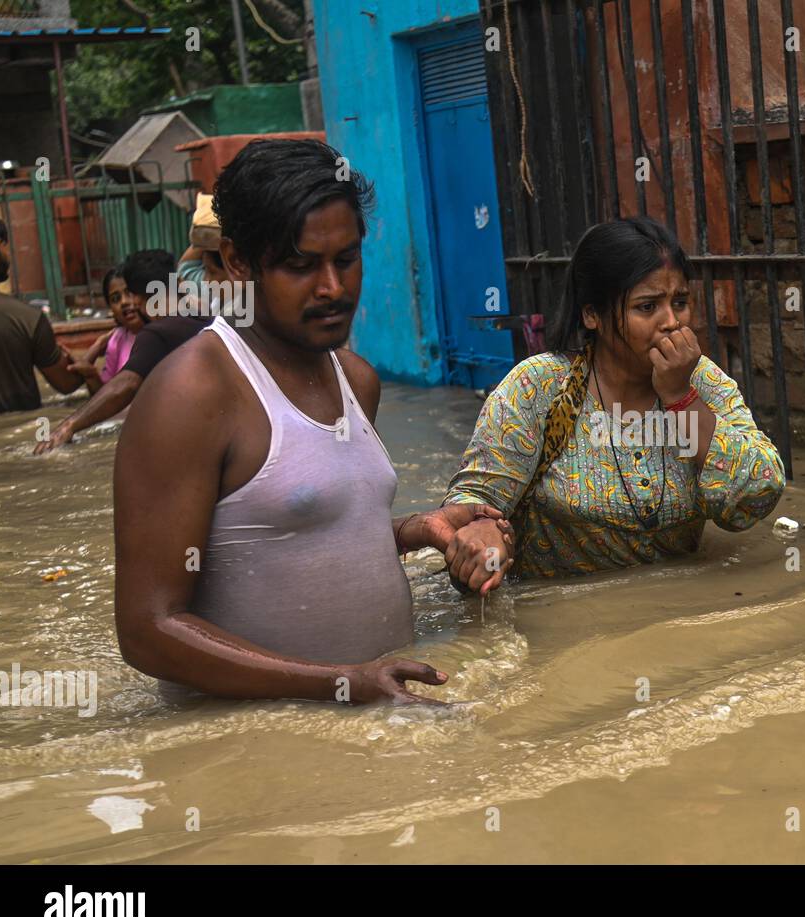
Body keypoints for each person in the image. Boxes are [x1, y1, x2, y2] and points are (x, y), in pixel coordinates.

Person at [113, 138, 505, 704]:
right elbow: (148, 630)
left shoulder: (355, 379)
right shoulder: (190, 393)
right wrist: (340, 683)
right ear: (238, 261)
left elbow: (294, 542)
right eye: (301, 266)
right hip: (254, 751)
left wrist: (415, 530)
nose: (333, 287)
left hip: (370, 728)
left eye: (346, 259)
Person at [441, 216, 784, 589]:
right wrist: (484, 533)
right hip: (560, 619)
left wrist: (681, 398)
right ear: (592, 315)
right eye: (647, 306)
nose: (671, 321)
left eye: (681, 302)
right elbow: (473, 504)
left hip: (681, 613)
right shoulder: (539, 387)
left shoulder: (701, 381)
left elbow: (758, 495)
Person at [33, 247, 201, 453]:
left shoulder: (156, 335)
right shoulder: (208, 317)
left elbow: (126, 385)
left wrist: (69, 425)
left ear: (138, 298)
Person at [0, 216, 86, 413]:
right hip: (23, 433)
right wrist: (89, 364)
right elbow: (66, 384)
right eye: (4, 246)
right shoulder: (28, 319)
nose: (7, 255)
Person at [68, 266, 149, 394]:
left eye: (129, 292)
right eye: (115, 299)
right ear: (111, 309)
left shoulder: (161, 334)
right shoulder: (117, 339)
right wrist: (92, 375)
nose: (124, 302)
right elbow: (106, 400)